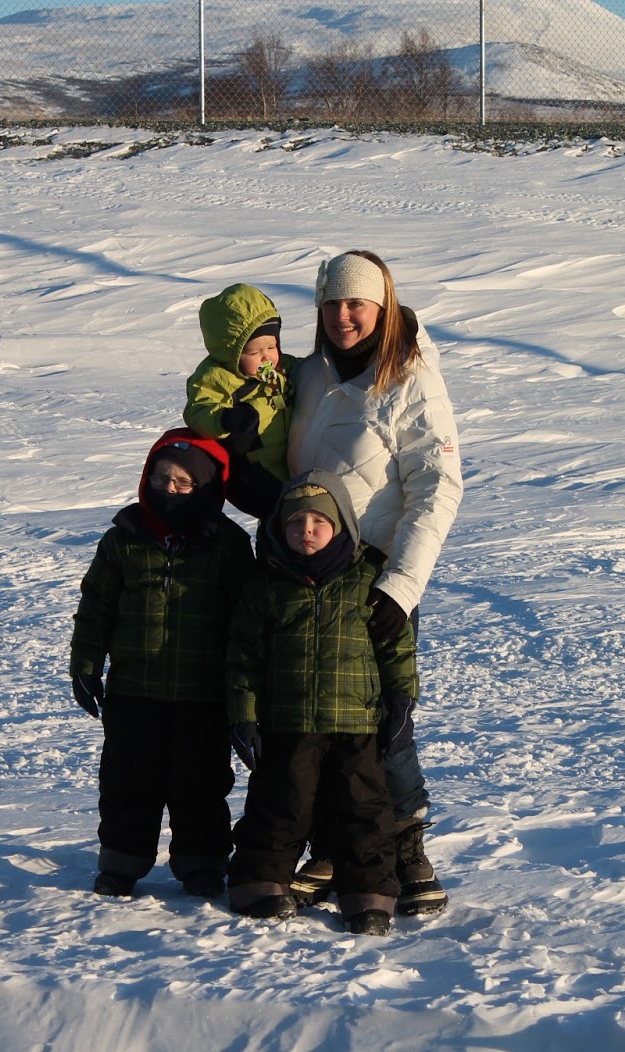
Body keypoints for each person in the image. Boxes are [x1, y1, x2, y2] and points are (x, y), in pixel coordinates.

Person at [284, 250, 463, 917]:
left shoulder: (411, 378)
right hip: (306, 578)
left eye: (356, 304)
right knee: (314, 720)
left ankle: (406, 844)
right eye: (331, 305)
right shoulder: (307, 376)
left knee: (384, 721)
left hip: (377, 581)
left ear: (382, 307)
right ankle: (336, 844)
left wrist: (401, 586)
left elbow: (437, 487)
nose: (343, 317)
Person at [224, 473, 418, 936]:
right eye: (294, 522)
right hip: (286, 722)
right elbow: (243, 655)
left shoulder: (368, 578)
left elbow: (397, 648)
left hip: (357, 721)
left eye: (317, 521)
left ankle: (368, 895)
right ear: (277, 529)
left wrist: (402, 701)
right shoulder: (268, 584)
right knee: (280, 804)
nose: (305, 530)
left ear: (341, 526)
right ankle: (261, 882)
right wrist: (243, 713)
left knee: (363, 809)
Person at [68, 428, 253, 900]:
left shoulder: (228, 545)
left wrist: (244, 690)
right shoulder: (122, 539)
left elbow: (245, 621)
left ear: (207, 488)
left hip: (203, 693)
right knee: (128, 780)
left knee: (202, 784)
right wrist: (86, 664)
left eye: (183, 482)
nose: (168, 488)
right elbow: (97, 607)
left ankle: (202, 864)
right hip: (134, 690)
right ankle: (121, 863)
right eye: (160, 476)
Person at [184, 283, 294, 520]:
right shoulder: (215, 377)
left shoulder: (283, 367)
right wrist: (225, 419)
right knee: (280, 512)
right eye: (255, 353)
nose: (267, 357)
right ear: (230, 352)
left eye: (272, 347)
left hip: (289, 456)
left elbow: (307, 370)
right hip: (254, 463)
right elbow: (198, 411)